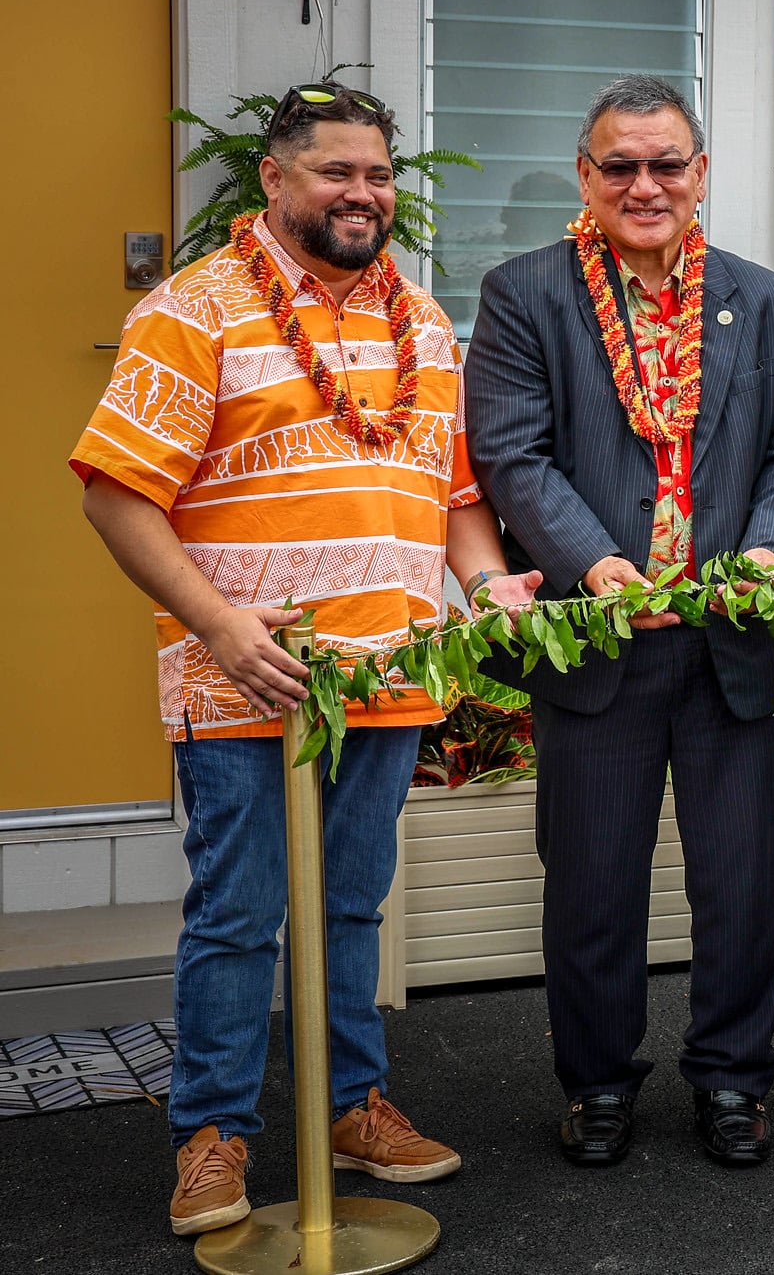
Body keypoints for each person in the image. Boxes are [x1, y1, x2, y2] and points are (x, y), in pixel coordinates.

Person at [70, 83, 542, 1236]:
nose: (361, 195)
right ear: (275, 179)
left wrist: (485, 582)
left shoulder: (423, 322)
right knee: (239, 911)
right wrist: (222, 627)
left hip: (388, 667)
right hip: (247, 676)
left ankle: (349, 1103)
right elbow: (117, 495)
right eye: (335, 172)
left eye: (377, 175)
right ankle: (214, 1134)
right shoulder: (196, 308)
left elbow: (458, 495)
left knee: (353, 905)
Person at [463, 75, 774, 1167]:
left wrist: (769, 543)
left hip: (729, 639)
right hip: (599, 638)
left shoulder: (766, 302)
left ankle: (731, 1077)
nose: (644, 184)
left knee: (739, 886)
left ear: (699, 172)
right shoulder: (525, 295)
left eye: (665, 163)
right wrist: (594, 562)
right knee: (591, 885)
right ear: (585, 175)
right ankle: (597, 1084)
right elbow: (511, 456)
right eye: (618, 164)